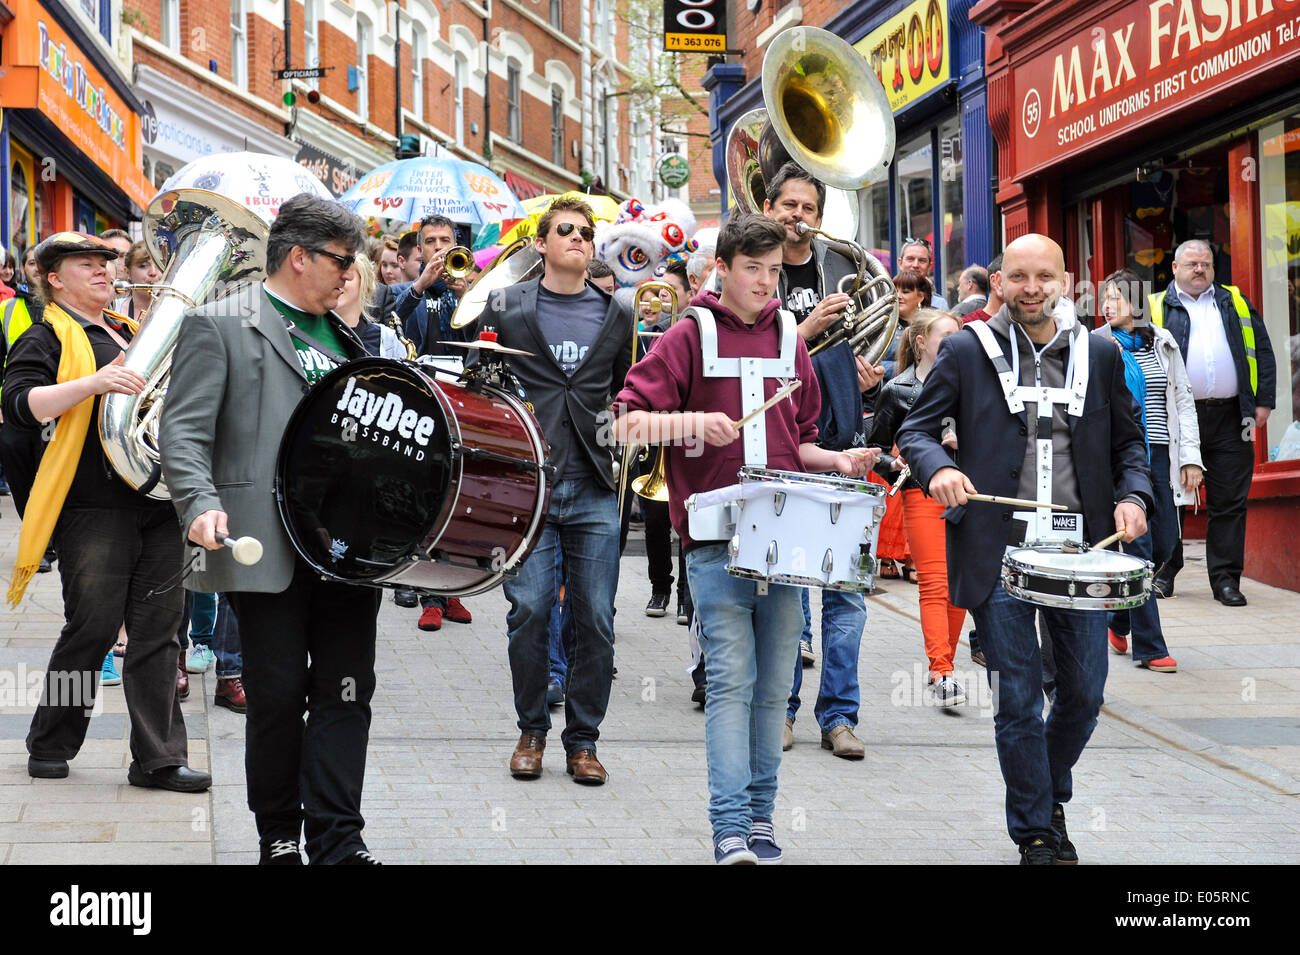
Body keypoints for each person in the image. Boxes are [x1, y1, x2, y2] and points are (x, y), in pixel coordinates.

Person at [614, 213, 878, 863]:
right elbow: (625, 423)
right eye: (751, 269)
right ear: (722, 270)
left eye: (773, 271)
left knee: (772, 687)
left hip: (787, 538)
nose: (764, 281)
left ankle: (761, 820)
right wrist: (695, 423)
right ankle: (728, 825)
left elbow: (802, 439)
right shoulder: (687, 333)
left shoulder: (792, 337)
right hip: (714, 542)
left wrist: (839, 462)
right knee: (731, 684)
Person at [897, 233, 1152, 865]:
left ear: (1066, 281)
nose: (1031, 288)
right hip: (999, 551)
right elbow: (915, 430)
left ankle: (1045, 789)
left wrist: (1135, 499)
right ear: (999, 282)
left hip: (1082, 553)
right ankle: (1036, 831)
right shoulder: (964, 350)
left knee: (1086, 692)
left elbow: (1130, 447)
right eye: (1018, 277)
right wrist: (936, 471)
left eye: (1044, 276)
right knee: (1017, 696)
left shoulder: (1099, 350)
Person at [161, 193, 382, 865]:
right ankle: (279, 837)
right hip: (267, 543)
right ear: (298, 257)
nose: (349, 276)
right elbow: (184, 429)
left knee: (348, 694)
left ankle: (341, 839)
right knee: (280, 697)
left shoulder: (348, 340)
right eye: (341, 262)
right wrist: (197, 502)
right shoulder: (219, 323)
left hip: (345, 552)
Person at [3, 231, 210, 793]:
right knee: (92, 627)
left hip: (157, 497)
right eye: (86, 263)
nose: (102, 270)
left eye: (106, 262)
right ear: (54, 277)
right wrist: (93, 382)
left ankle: (159, 759)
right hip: (92, 504)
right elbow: (19, 405)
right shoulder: (46, 335)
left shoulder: (128, 331)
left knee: (160, 631)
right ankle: (50, 741)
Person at [481, 196, 634, 787]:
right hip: (529, 484)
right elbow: (481, 380)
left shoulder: (617, 313)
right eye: (565, 231)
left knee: (595, 617)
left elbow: (625, 390)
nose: (578, 237)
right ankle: (531, 730)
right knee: (531, 610)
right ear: (541, 244)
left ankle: (584, 741)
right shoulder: (506, 304)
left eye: (586, 232)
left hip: (595, 483)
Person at [762, 161, 885, 760]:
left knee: (847, 598)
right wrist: (804, 331)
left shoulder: (843, 267)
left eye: (809, 208)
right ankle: (782, 710)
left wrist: (869, 377)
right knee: (785, 592)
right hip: (782, 448)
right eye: (789, 205)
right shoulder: (752, 273)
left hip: (843, 439)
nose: (799, 216)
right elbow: (750, 357)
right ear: (768, 207)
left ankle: (838, 717)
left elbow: (871, 336)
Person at [1148, 239, 1275, 606]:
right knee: (1170, 496)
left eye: (1206, 264)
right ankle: (1164, 572)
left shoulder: (1234, 301)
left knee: (1230, 501)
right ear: (1174, 268)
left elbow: (1262, 350)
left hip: (1233, 415)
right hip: (1173, 416)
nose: (1199, 270)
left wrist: (1263, 401)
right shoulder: (1154, 305)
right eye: (1191, 264)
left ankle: (1225, 580)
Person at [1095, 269, 1203, 672]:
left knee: (1164, 547)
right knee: (1137, 553)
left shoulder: (1163, 343)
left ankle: (1118, 617)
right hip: (1122, 458)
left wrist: (1191, 458)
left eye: (1116, 299)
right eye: (1104, 299)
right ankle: (1151, 647)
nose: (1107, 306)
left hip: (1161, 454)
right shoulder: (1098, 346)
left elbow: (1183, 401)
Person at [869, 310, 968, 704]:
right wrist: (892, 462)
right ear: (921, 342)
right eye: (946, 337)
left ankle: (946, 663)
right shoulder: (897, 389)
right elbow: (874, 444)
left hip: (968, 491)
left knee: (961, 584)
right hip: (921, 492)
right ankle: (941, 669)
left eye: (958, 337)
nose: (954, 344)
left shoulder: (971, 384)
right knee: (934, 581)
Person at [380, 215, 474, 630]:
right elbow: (387, 325)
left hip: (460, 396)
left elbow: (484, 338)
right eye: (430, 242)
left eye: (445, 240)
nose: (438, 247)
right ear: (417, 250)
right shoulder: (404, 290)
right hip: (420, 396)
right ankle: (427, 593)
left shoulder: (465, 290)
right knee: (424, 492)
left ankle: (450, 590)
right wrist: (420, 287)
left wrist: (469, 295)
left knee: (456, 492)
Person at [338, 252, 405, 359]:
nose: (338, 282)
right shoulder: (316, 330)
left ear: (364, 282)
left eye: (347, 275)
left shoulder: (386, 338)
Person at [112, 241, 162, 321]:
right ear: (127, 271)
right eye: (143, 266)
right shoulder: (114, 309)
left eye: (158, 265)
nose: (153, 272)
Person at [899, 238, 948, 309]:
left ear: (929, 267)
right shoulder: (885, 297)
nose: (915, 265)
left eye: (922, 260)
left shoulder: (940, 304)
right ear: (900, 263)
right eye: (910, 259)